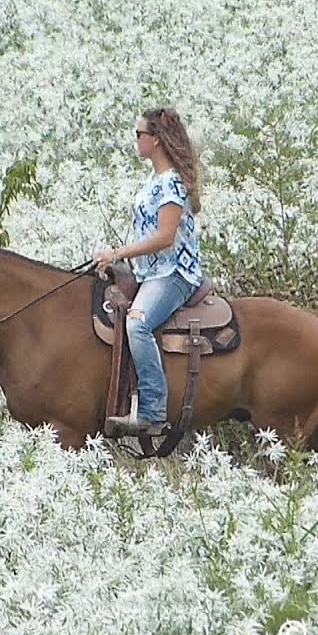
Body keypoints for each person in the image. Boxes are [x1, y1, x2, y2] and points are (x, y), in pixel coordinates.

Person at [92, 107, 204, 437]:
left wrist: (118, 252)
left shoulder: (169, 184)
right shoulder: (154, 180)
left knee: (138, 324)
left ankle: (153, 412)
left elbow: (165, 237)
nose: (136, 140)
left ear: (155, 140)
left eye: (139, 134)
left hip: (173, 273)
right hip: (150, 271)